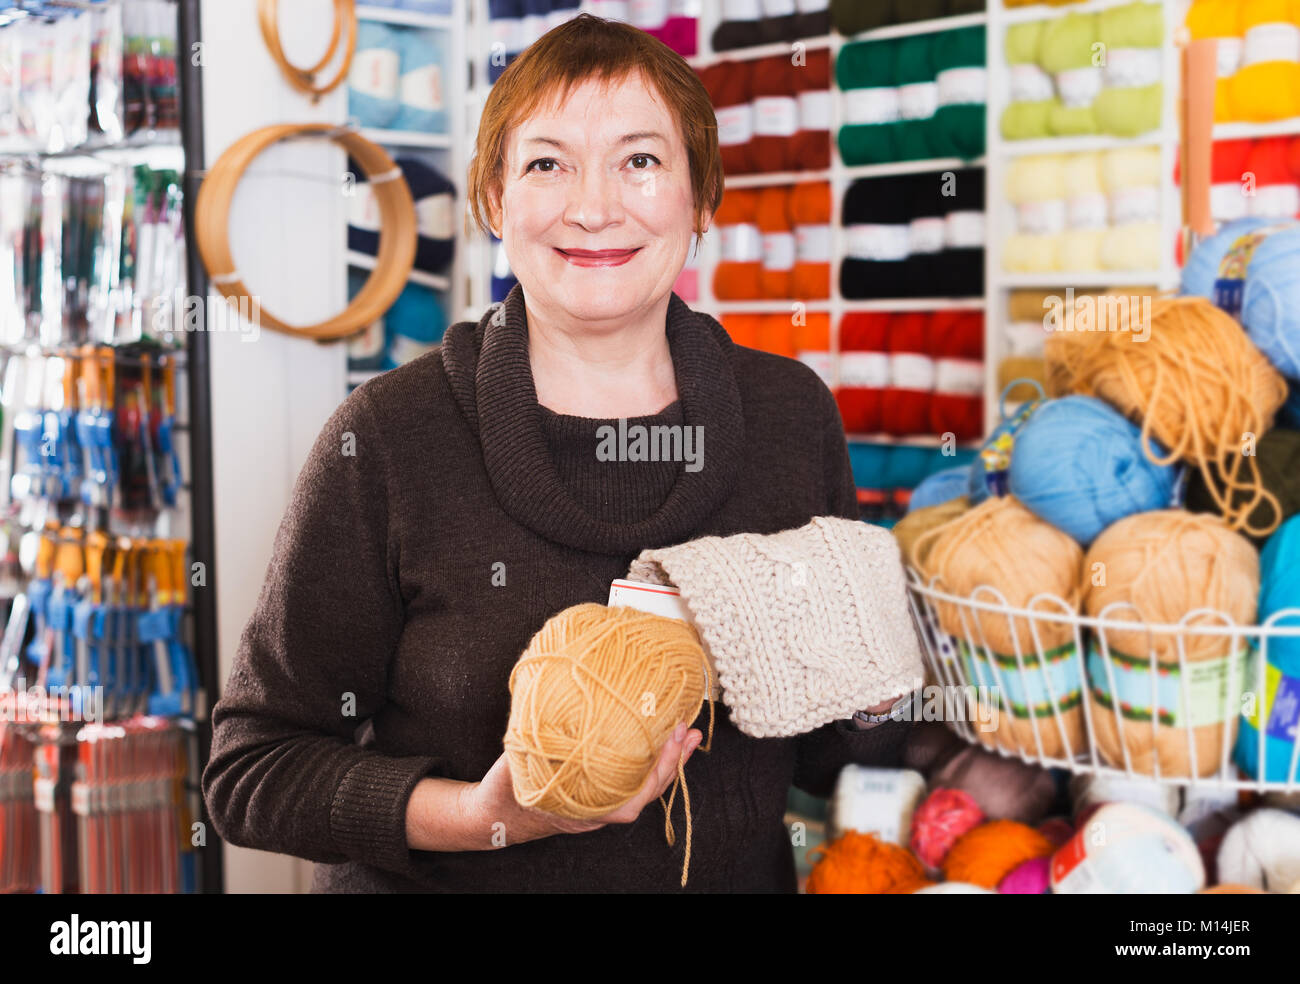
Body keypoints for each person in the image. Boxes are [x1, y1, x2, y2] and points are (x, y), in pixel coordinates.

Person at [202, 13, 914, 893]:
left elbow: (828, 758)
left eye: (641, 161)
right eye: (547, 162)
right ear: (496, 200)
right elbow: (251, 771)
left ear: (700, 199)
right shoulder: (388, 435)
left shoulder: (789, 415)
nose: (593, 206)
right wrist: (479, 819)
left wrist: (881, 676)